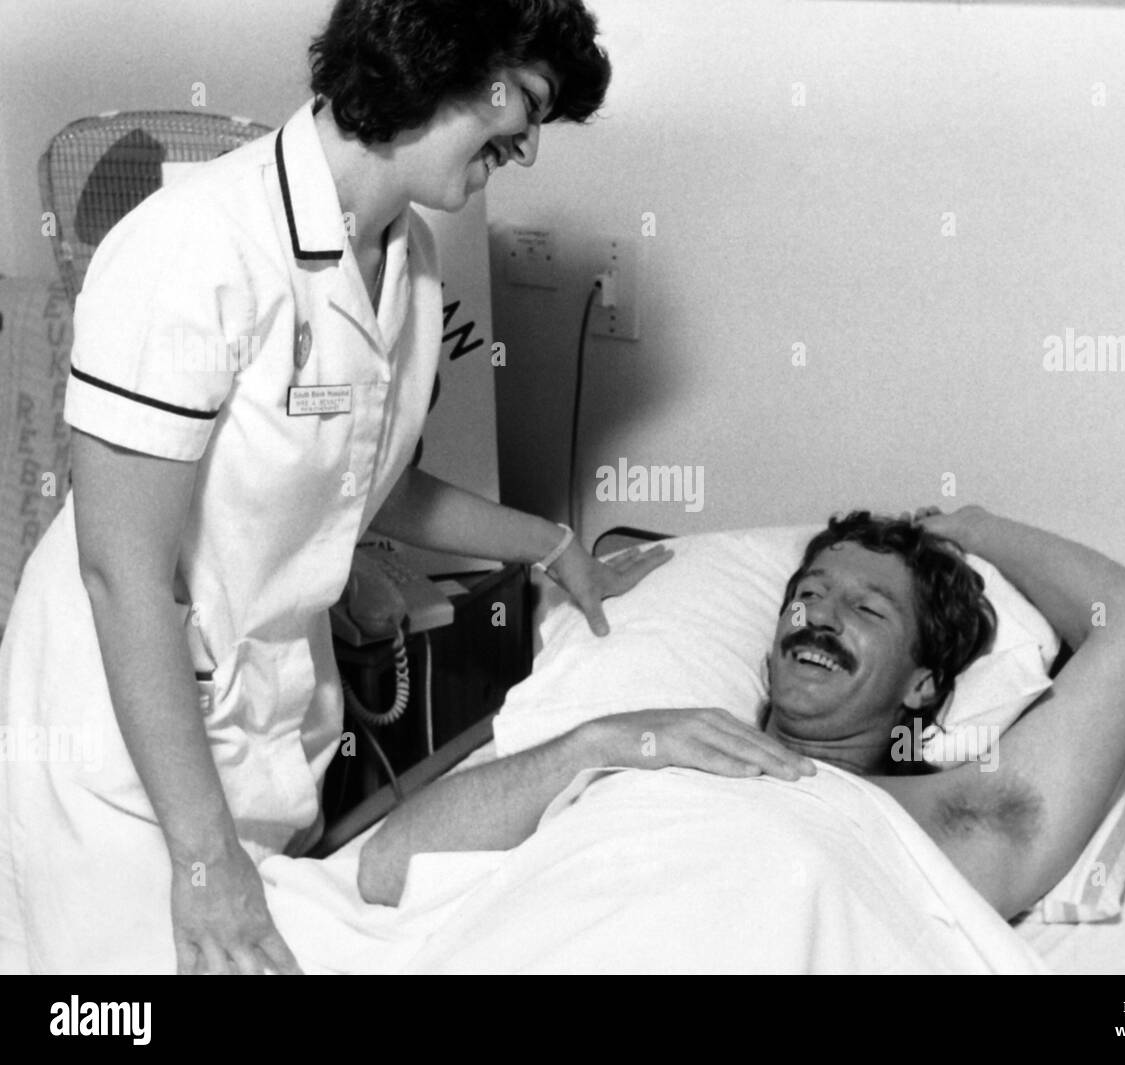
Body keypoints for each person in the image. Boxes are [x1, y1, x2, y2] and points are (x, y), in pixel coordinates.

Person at [0, 0, 669, 976]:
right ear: (439, 56)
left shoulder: (406, 261)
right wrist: (201, 859)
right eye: (523, 101)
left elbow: (370, 485)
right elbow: (121, 576)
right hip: (124, 749)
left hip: (265, 726)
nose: (526, 143)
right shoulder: (194, 247)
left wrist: (554, 546)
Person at [358, 505, 1125, 927]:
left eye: (867, 608)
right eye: (809, 596)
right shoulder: (643, 748)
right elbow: (386, 864)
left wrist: (969, 528)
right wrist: (605, 740)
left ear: (924, 687)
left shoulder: (945, 818)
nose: (820, 617)